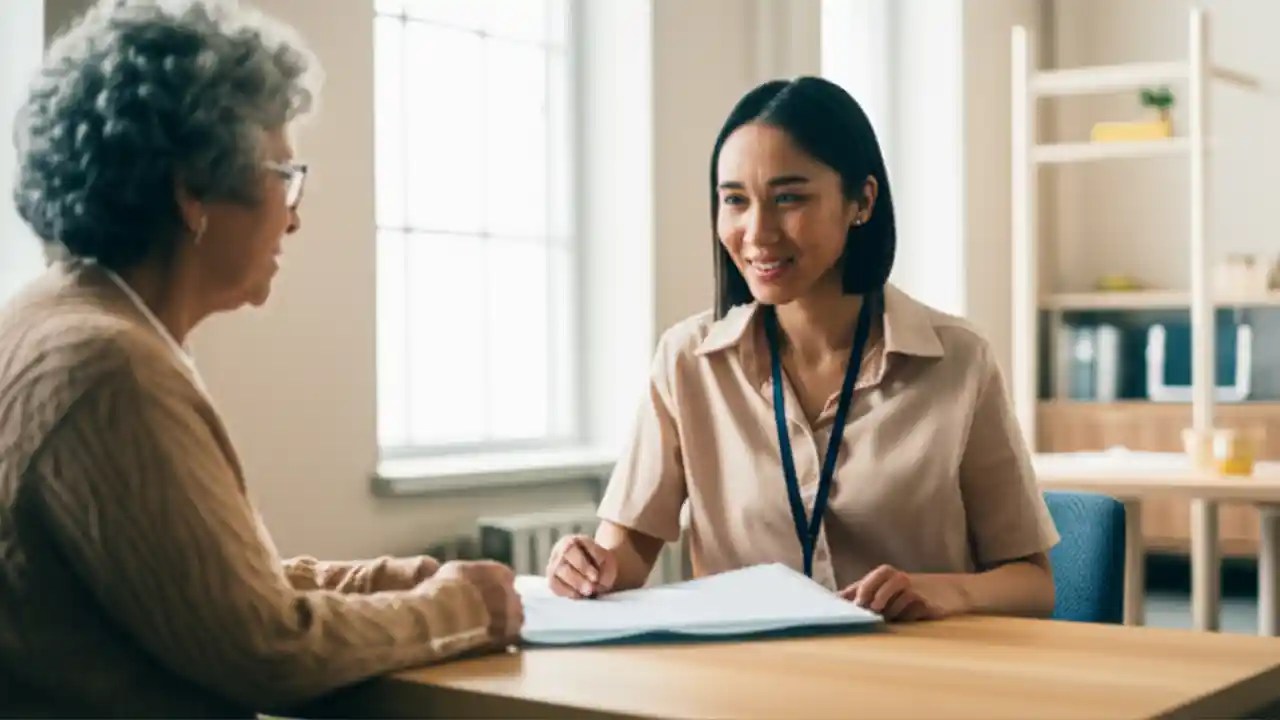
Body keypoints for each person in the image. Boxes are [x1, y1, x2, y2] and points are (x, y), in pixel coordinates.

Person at [0, 1, 520, 716]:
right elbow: (267, 647)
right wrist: (462, 608)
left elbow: (209, 592)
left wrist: (389, 580)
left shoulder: (55, 322)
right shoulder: (107, 368)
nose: (295, 214)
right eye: (285, 175)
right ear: (192, 191)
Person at [545, 77, 1059, 622]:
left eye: (789, 198)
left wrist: (948, 592)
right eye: (735, 201)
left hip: (912, 686)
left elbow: (1032, 584)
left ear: (861, 201)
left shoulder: (959, 361)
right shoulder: (687, 362)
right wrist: (586, 565)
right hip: (747, 689)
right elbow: (625, 554)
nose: (758, 232)